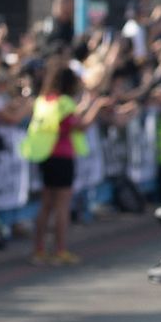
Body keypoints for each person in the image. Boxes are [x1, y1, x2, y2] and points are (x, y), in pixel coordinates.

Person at [25, 60, 103, 266]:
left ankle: (39, 250)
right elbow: (81, 126)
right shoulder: (65, 103)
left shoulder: (43, 101)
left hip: (45, 155)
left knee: (45, 205)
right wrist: (97, 106)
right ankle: (60, 250)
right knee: (62, 206)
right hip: (62, 156)